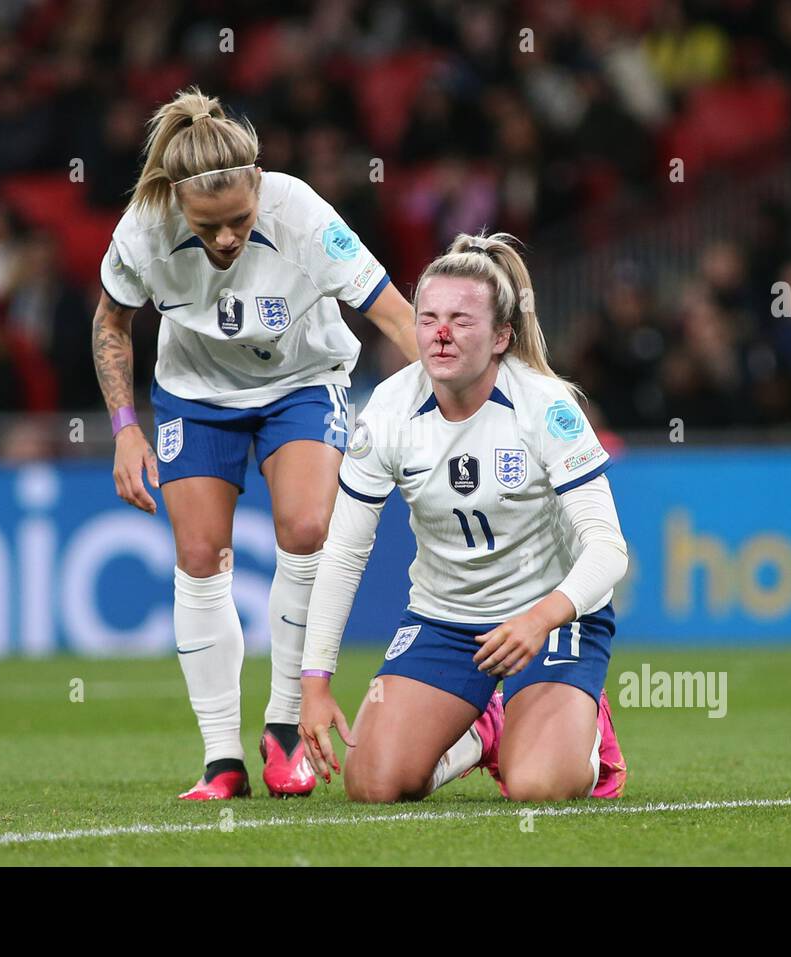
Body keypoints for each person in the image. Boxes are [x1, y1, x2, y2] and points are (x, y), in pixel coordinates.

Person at [91, 87, 418, 799]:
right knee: (199, 554)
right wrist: (124, 431)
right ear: (178, 205)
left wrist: (465, 397)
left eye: (239, 220)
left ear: (259, 187)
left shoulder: (299, 211)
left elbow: (395, 314)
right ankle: (220, 761)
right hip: (196, 395)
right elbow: (111, 323)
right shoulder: (143, 227)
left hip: (303, 382)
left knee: (306, 527)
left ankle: (284, 724)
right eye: (209, 227)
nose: (228, 239)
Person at [299, 232, 630, 802]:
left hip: (551, 623)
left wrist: (540, 619)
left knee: (537, 788)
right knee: (373, 785)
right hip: (445, 620)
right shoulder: (387, 408)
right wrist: (314, 681)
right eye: (427, 319)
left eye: (460, 319)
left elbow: (608, 548)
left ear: (502, 335)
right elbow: (346, 551)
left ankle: (582, 732)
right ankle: (487, 726)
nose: (441, 334)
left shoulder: (546, 406)